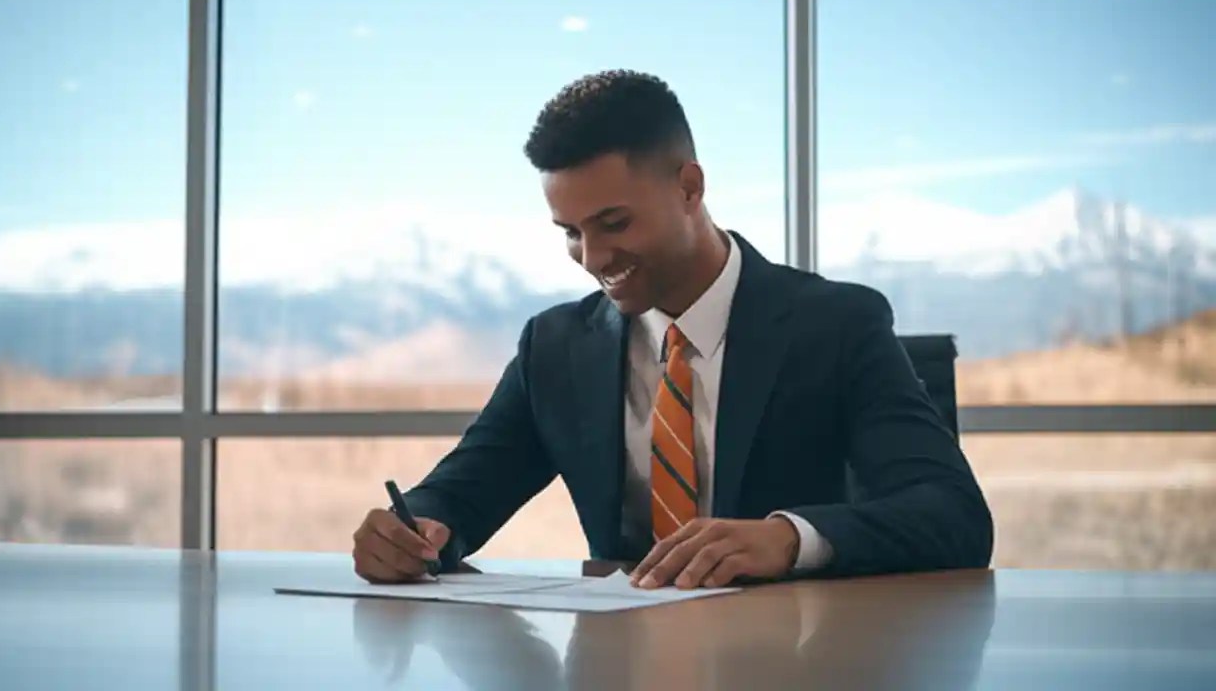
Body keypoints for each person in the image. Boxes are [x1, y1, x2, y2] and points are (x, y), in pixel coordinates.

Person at [352, 69, 993, 588]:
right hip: (619, 663)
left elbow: (954, 515)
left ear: (690, 187)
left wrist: (788, 537)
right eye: (571, 233)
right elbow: (461, 492)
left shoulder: (837, 325)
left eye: (614, 223)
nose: (593, 259)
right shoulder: (554, 348)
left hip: (801, 662)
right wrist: (415, 528)